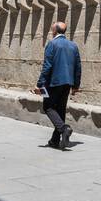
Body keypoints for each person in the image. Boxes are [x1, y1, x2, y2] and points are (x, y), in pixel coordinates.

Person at [32, 21, 81, 149]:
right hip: (67, 83)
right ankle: (55, 140)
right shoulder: (73, 46)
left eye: (52, 29)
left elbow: (47, 66)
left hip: (54, 82)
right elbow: (78, 67)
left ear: (55, 31)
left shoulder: (52, 44)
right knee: (60, 110)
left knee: (48, 107)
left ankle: (64, 128)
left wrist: (39, 85)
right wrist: (76, 86)